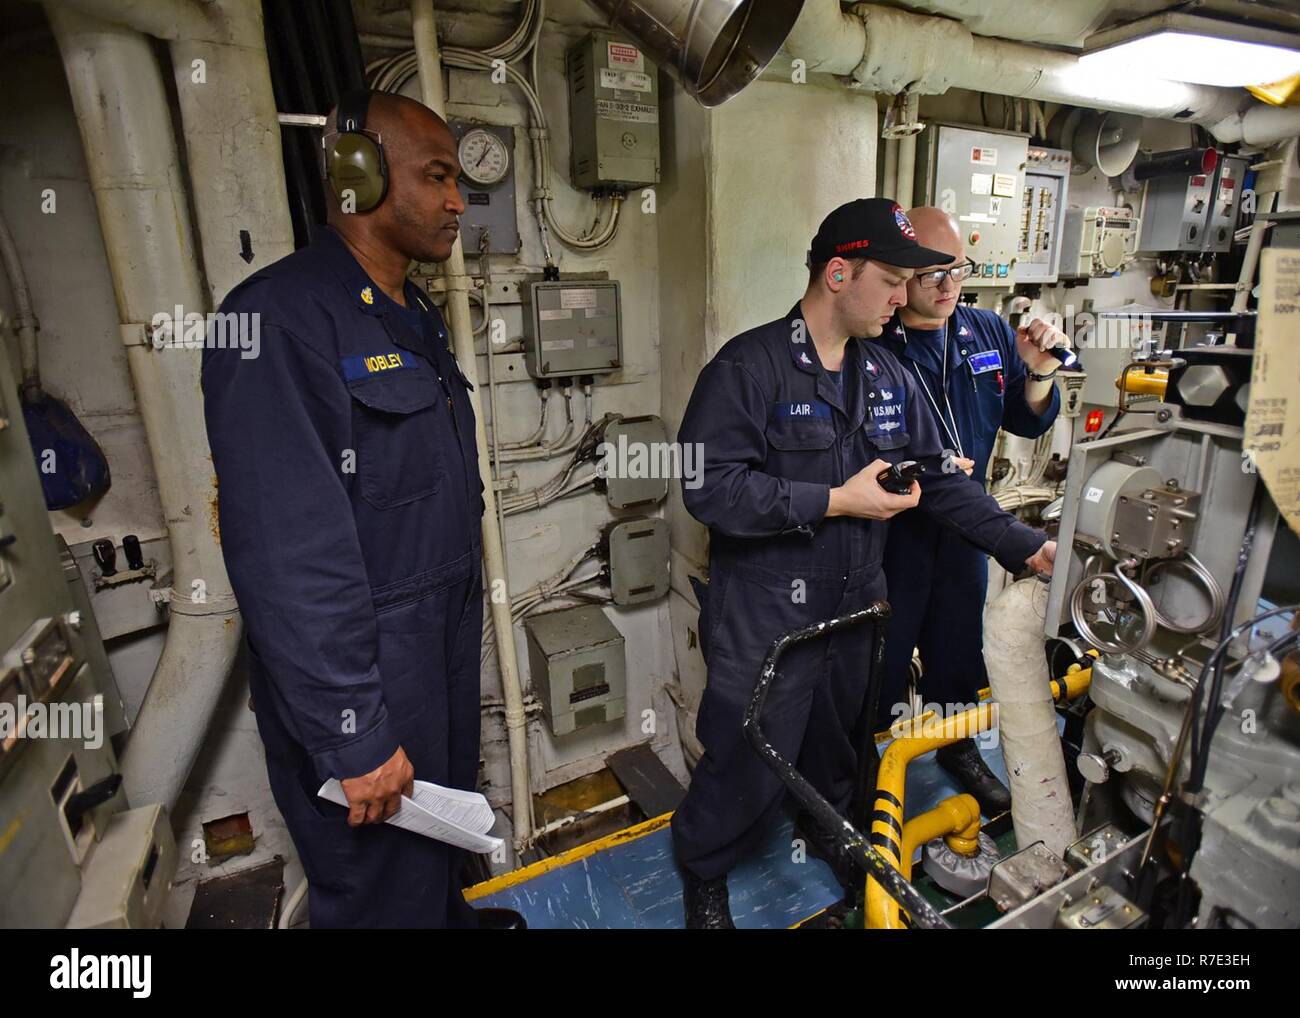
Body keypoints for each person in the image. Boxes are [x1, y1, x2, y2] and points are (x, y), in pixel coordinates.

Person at [672, 198, 1056, 928]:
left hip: (857, 604)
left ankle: (834, 833)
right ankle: (705, 866)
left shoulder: (885, 372)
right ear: (839, 273)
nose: (900, 296)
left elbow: (943, 480)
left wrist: (1024, 544)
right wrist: (833, 500)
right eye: (889, 280)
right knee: (747, 753)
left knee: (842, 742)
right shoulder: (747, 368)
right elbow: (709, 489)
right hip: (768, 611)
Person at [202, 90, 520, 928]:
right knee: (383, 889)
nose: (459, 200)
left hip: (438, 639)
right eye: (438, 176)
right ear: (359, 177)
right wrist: (355, 734)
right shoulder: (277, 320)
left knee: (437, 857)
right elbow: (288, 554)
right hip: (368, 662)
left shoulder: (411, 314)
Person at [874, 207, 1068, 815]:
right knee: (877, 658)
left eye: (958, 270)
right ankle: (863, 770)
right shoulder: (873, 342)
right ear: (900, 275)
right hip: (892, 533)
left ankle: (957, 752)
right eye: (932, 273)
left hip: (967, 532)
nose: (948, 285)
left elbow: (1024, 413)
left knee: (958, 655)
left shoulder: (984, 330)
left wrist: (1037, 374)